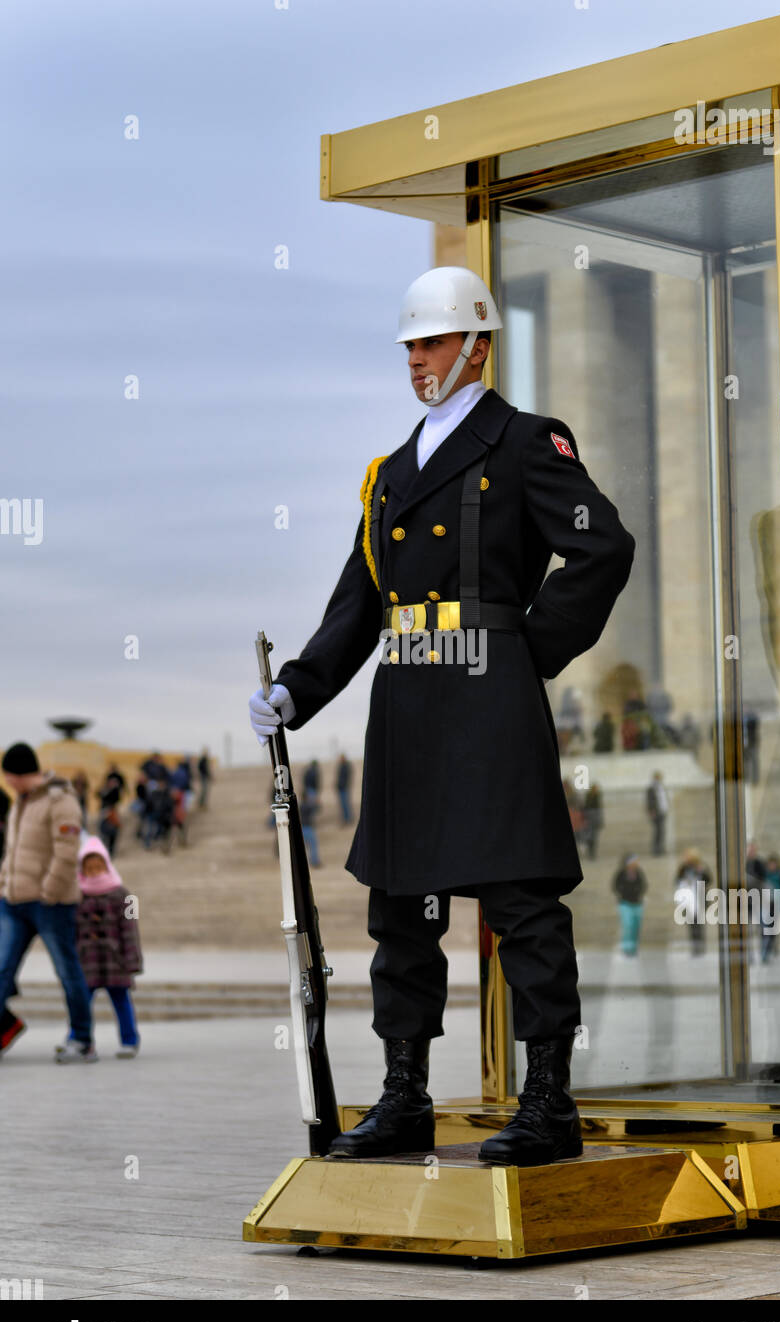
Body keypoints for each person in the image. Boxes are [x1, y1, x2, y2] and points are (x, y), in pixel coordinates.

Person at [249, 265, 635, 1165]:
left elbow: (601, 548)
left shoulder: (528, 443)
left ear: (477, 344)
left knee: (521, 905)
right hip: (410, 701)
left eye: (430, 342)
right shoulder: (388, 473)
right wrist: (298, 690)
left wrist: (527, 653)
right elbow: (360, 604)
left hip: (488, 703)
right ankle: (404, 1097)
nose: (417, 360)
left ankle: (548, 1102)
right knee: (400, 915)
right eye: (409, 345)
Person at [0, 742, 96, 1062]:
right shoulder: (20, 803)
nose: (7, 781)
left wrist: (49, 892)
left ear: (19, 774)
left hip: (51, 904)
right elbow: (11, 853)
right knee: (1, 969)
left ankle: (82, 1039)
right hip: (13, 901)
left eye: (9, 775)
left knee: (67, 971)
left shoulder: (61, 800)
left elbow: (67, 851)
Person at [75, 836, 142, 1057]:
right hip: (88, 960)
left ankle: (130, 1040)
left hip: (116, 961)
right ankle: (78, 1039)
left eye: (98, 866)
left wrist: (133, 961)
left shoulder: (126, 896)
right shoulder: (76, 895)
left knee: (122, 1001)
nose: (94, 871)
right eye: (89, 867)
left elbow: (132, 929)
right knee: (81, 1002)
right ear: (82, 869)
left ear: (107, 864)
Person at [674, 847, 713, 957]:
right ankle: (694, 948)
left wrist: (701, 872)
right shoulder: (683, 868)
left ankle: (700, 947)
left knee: (699, 924)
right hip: (688, 900)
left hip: (699, 899)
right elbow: (677, 880)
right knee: (691, 925)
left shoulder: (701, 866)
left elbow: (709, 879)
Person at [612, 854, 648, 956]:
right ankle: (626, 947)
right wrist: (622, 892)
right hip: (625, 903)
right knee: (628, 925)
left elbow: (643, 884)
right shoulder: (621, 873)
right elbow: (615, 885)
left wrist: (639, 893)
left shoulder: (639, 872)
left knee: (636, 926)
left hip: (637, 903)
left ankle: (634, 947)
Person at [97, 765, 125, 856]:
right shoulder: (105, 789)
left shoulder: (115, 791)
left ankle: (110, 851)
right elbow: (98, 794)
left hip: (112, 811)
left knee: (113, 832)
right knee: (103, 832)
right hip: (105, 811)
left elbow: (117, 799)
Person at [646, 770, 668, 856]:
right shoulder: (651, 788)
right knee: (657, 831)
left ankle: (660, 848)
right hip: (656, 812)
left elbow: (663, 799)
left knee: (661, 831)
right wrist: (652, 811)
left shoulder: (661, 787)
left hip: (662, 811)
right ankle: (656, 849)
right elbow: (650, 801)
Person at [336, 754, 353, 825]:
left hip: (344, 788)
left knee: (345, 804)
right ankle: (347, 818)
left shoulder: (345, 766)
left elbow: (345, 778)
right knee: (344, 804)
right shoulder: (342, 766)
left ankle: (348, 819)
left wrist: (342, 785)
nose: (340, 760)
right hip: (341, 787)